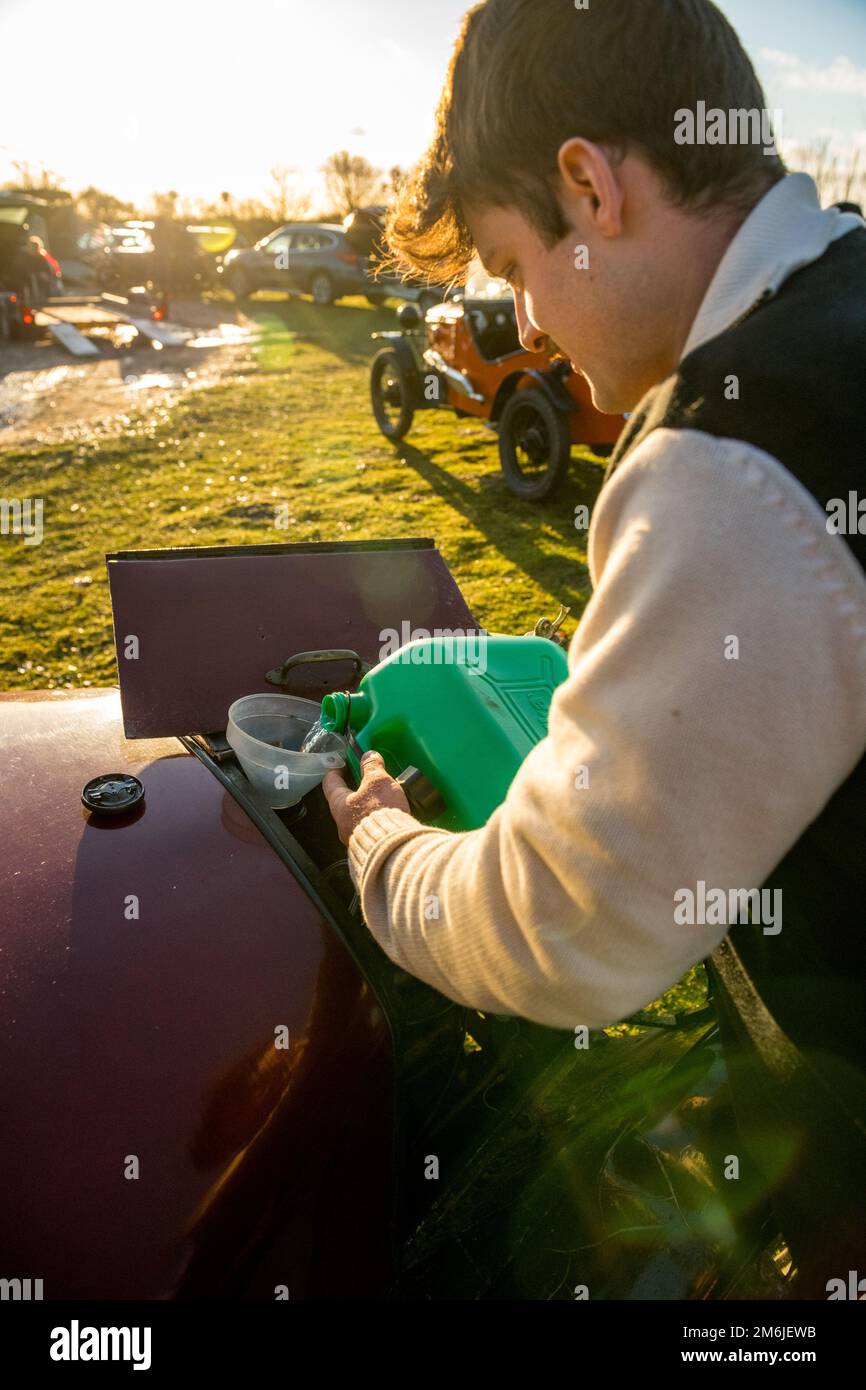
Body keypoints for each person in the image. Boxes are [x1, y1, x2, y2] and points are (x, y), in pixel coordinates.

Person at [322, 0, 866, 1294]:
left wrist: (382, 848)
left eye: (514, 266)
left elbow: (568, 928)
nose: (526, 318)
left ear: (587, 186)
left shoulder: (727, 451)